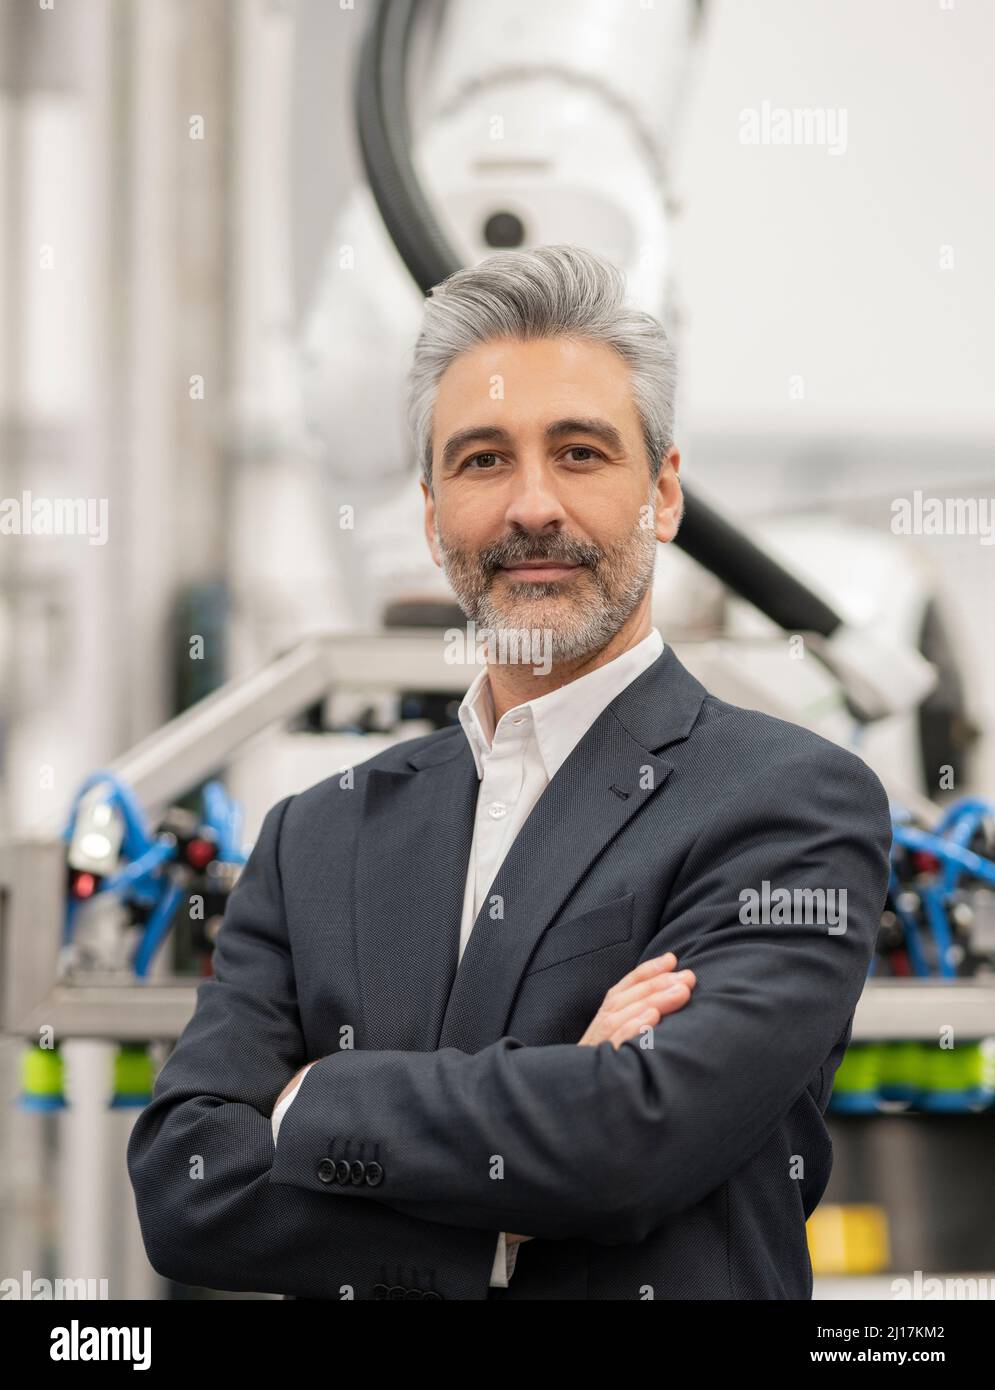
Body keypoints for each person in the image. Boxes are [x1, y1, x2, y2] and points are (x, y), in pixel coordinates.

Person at [127, 244, 892, 1300]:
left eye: (578, 453)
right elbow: (184, 1183)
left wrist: (311, 1099)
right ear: (432, 514)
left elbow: (634, 1140)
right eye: (483, 459)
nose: (532, 505)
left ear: (661, 494)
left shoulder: (787, 804)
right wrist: (498, 1223)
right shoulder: (317, 836)